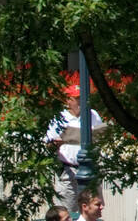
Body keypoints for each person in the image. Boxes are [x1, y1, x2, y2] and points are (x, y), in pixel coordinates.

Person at [45, 84, 105, 213]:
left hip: (90, 168)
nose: (79, 102)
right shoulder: (59, 118)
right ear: (68, 100)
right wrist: (56, 144)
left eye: (81, 99)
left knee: (92, 210)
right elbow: (48, 143)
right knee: (67, 211)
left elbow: (101, 136)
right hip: (69, 169)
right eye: (76, 99)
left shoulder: (92, 115)